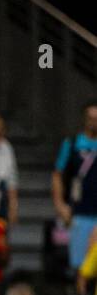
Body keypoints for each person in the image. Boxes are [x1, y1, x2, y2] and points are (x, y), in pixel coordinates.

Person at [52, 101, 97, 270]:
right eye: (91, 118)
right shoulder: (72, 144)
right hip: (78, 211)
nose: (94, 122)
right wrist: (60, 205)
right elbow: (57, 174)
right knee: (79, 265)